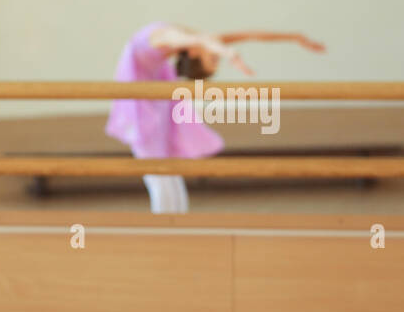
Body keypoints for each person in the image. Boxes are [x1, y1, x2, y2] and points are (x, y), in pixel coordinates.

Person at [106, 24, 325, 212]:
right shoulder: (165, 38)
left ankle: (175, 226)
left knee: (169, 173)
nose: (215, 53)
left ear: (193, 54)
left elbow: (247, 35)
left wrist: (294, 37)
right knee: (158, 177)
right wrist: (230, 53)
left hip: (156, 107)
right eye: (214, 57)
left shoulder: (180, 40)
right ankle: (166, 229)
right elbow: (204, 39)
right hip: (142, 113)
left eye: (213, 57)